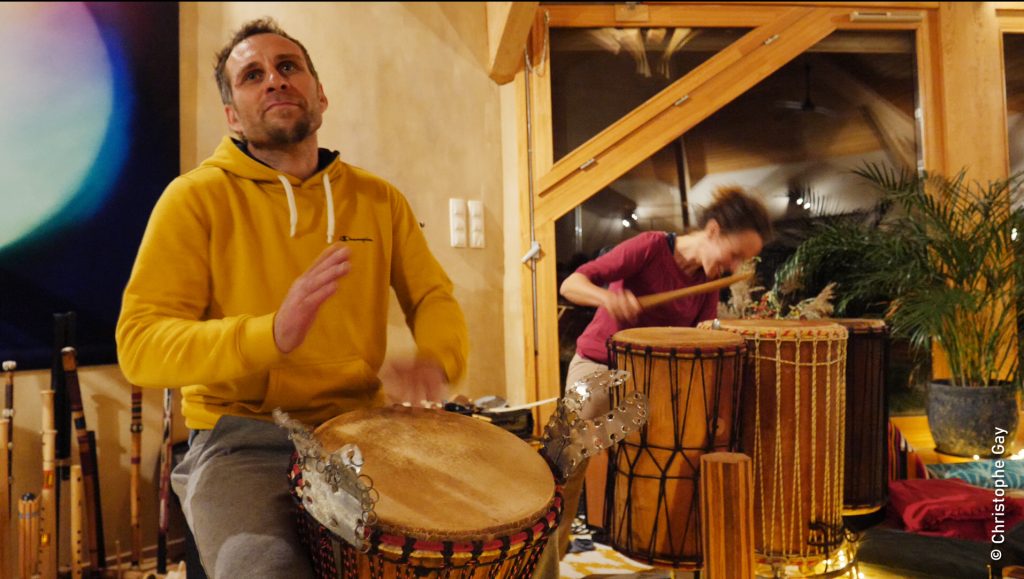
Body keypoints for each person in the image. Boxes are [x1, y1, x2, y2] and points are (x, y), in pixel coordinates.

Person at [115, 18, 467, 578]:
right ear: (232, 115)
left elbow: (431, 296)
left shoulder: (379, 199)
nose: (275, 80)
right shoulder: (193, 199)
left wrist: (437, 357)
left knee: (467, 549)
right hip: (242, 440)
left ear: (320, 95)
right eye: (252, 75)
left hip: (364, 429)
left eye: (287, 67)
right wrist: (270, 333)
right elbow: (140, 345)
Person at [532, 186, 772, 578]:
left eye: (741, 260)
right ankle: (542, 571)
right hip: (598, 365)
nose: (733, 267)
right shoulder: (650, 247)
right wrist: (607, 299)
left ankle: (671, 561)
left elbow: (697, 337)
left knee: (683, 458)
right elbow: (570, 285)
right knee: (563, 468)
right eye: (733, 254)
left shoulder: (705, 283)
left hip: (652, 382)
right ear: (713, 231)